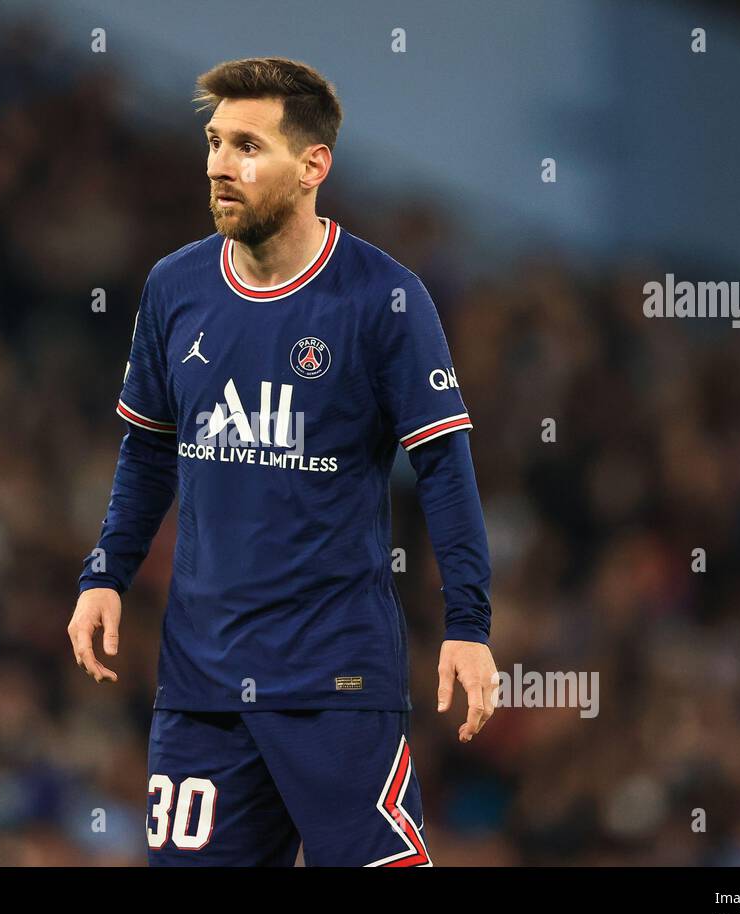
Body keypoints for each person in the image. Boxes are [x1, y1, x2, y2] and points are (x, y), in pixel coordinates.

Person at [68, 57, 495, 866]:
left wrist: (468, 626)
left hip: (335, 687)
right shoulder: (174, 287)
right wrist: (105, 574)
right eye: (215, 142)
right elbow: (149, 447)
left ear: (312, 167)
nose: (221, 165)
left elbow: (443, 464)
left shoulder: (384, 298)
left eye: (249, 147)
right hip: (202, 689)